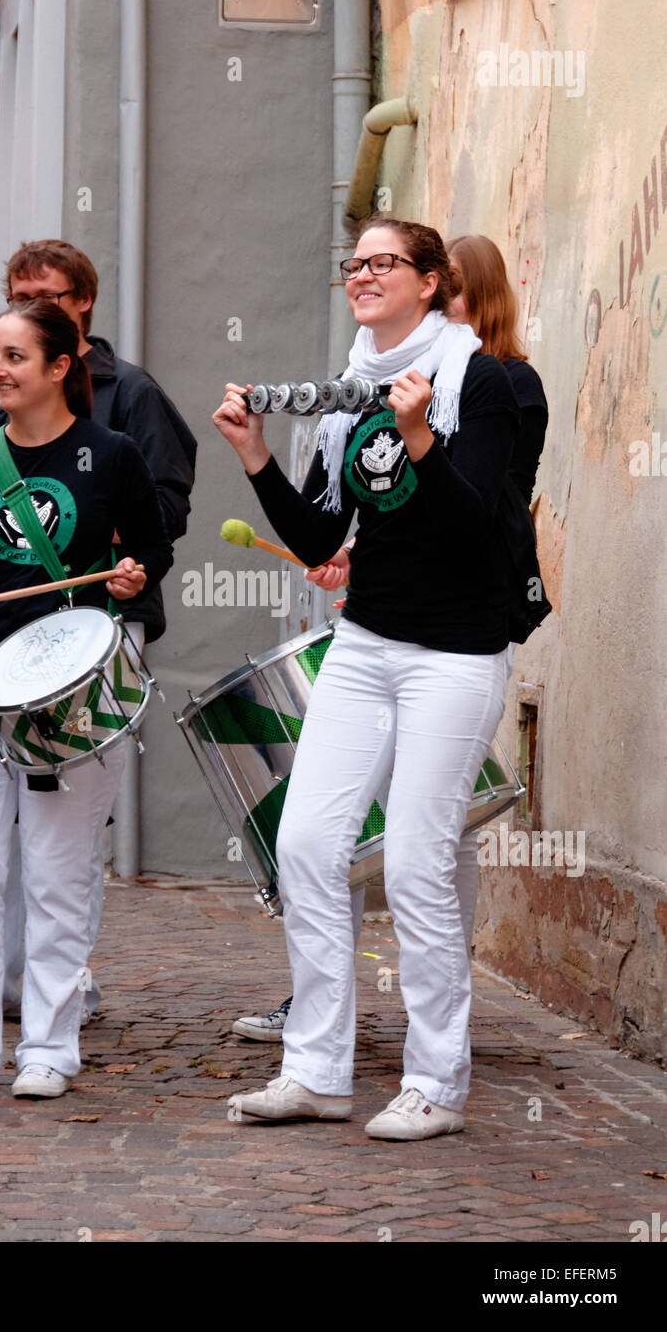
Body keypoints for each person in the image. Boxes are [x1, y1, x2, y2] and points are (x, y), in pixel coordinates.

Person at [213, 216, 519, 1140]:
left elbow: (478, 532)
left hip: (454, 655)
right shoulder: (352, 393)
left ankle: (436, 1082)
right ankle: (316, 1071)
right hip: (365, 645)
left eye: (384, 262)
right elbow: (316, 536)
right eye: (354, 263)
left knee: (421, 862)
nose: (362, 275)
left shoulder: (487, 385)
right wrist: (255, 456)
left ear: (430, 283)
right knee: (305, 845)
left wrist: (421, 436)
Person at [0, 300, 172, 1097]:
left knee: (55, 877)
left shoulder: (109, 455)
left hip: (67, 693)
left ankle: (49, 1049)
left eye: (16, 356)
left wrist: (133, 573)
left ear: (58, 368)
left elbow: (153, 546)